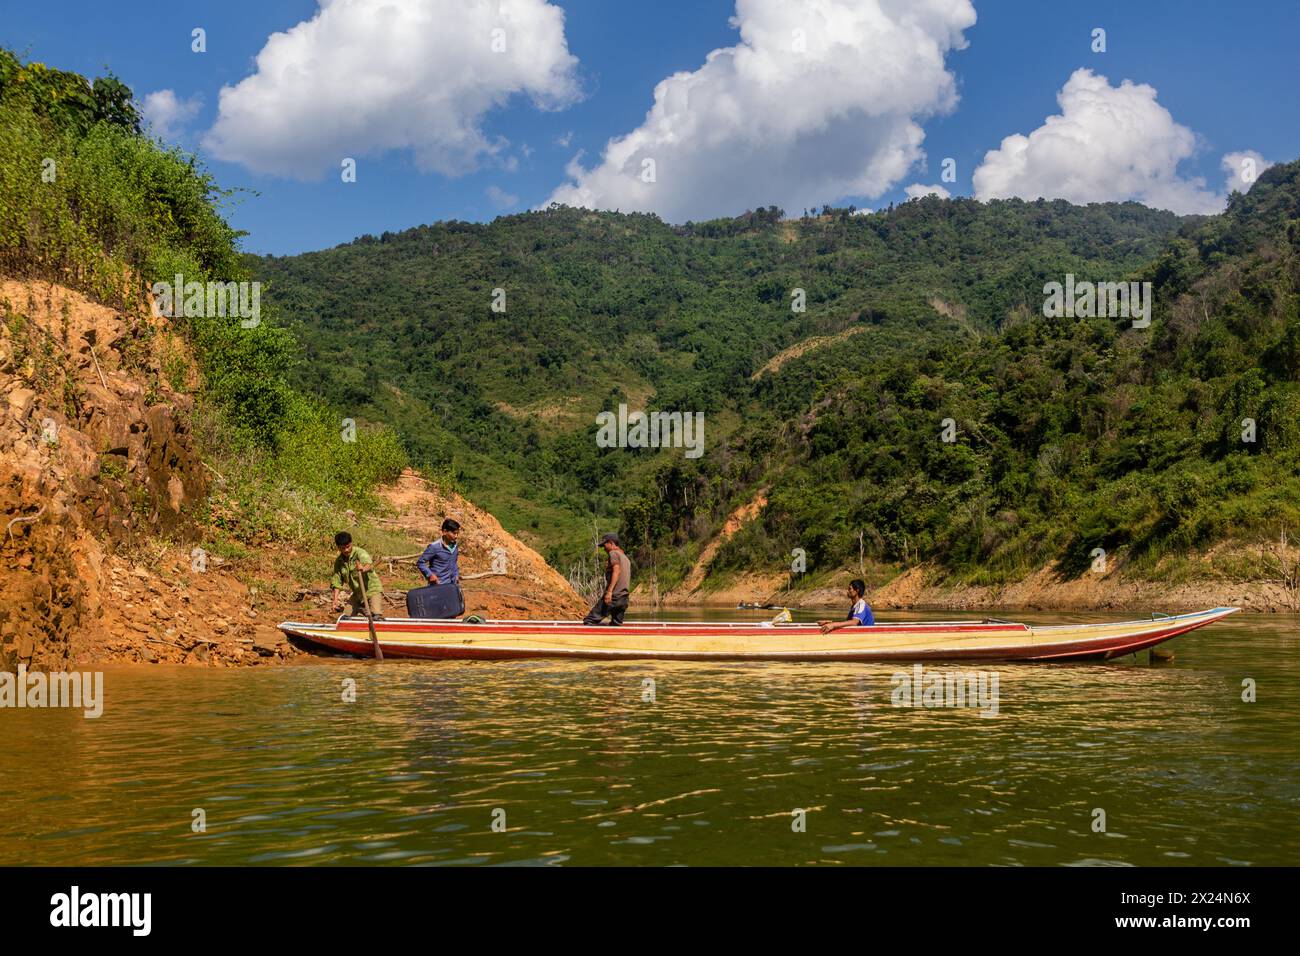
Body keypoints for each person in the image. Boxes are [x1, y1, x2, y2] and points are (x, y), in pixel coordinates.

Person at [331, 531, 384, 618]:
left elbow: (368, 564)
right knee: (346, 616)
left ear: (351, 543)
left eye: (348, 547)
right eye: (343, 548)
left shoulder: (360, 553)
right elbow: (337, 581)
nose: (346, 550)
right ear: (339, 548)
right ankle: (360, 612)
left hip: (372, 590)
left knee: (376, 615)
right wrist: (335, 600)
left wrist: (363, 569)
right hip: (357, 593)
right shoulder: (339, 562)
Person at [583, 532, 631, 626]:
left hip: (614, 596)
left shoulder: (613, 553)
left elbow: (616, 572)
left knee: (589, 621)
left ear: (611, 543)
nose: (604, 548)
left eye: (604, 545)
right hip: (624, 598)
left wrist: (609, 592)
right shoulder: (625, 558)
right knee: (616, 625)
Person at [417, 518, 461, 586]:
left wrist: (456, 574)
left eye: (457, 533)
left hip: (452, 585)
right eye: (454, 533)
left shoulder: (455, 547)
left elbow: (454, 563)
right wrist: (430, 575)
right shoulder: (434, 547)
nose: (456, 536)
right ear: (444, 532)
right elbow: (420, 562)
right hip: (438, 586)